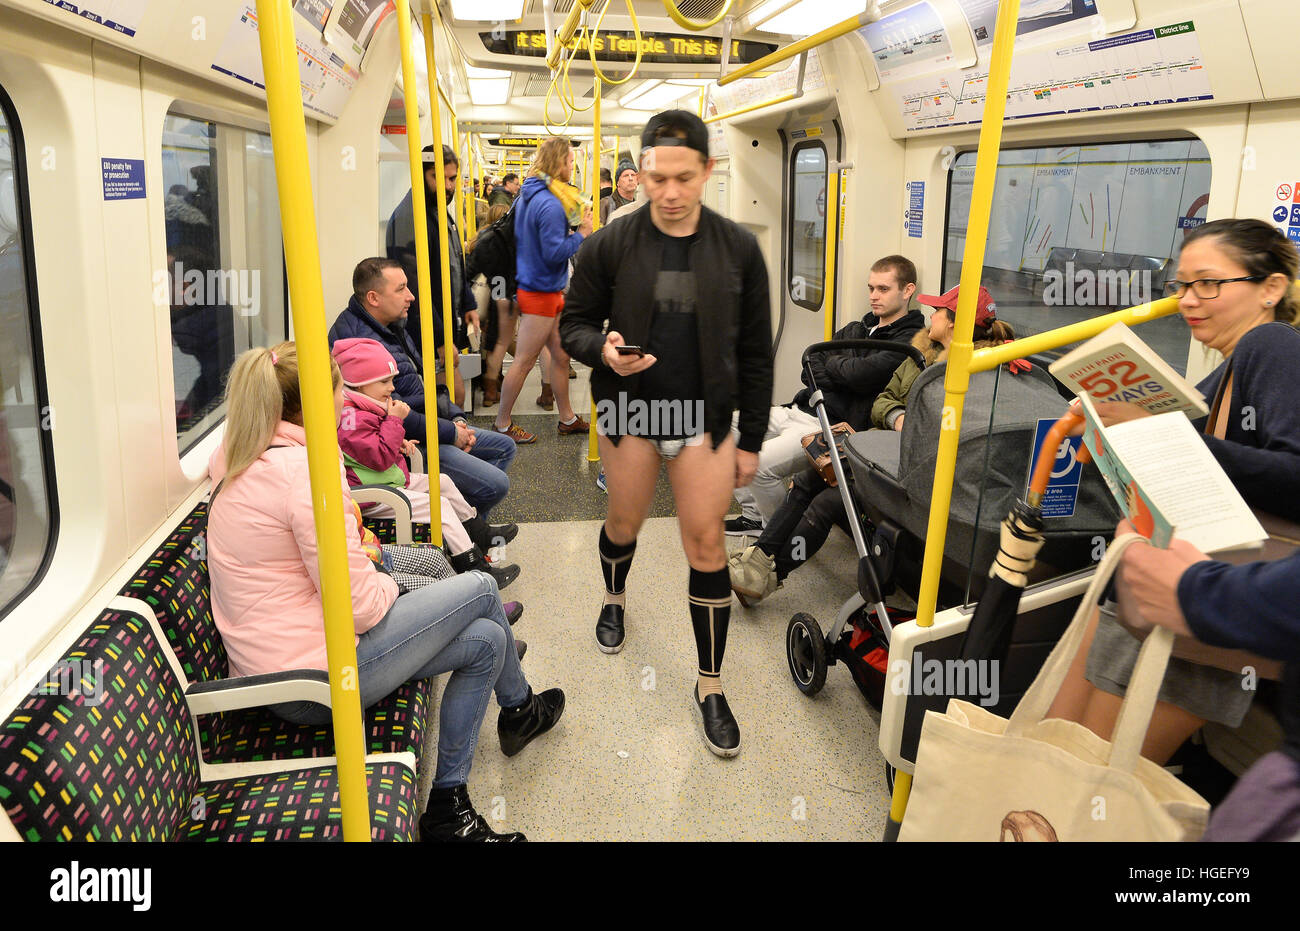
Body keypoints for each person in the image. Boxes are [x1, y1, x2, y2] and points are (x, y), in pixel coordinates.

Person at [206, 342, 565, 842]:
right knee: (481, 587)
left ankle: (449, 805)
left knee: (486, 640)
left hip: (282, 660)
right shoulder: (303, 475)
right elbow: (360, 605)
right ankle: (521, 708)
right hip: (314, 680)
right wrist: (390, 581)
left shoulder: (245, 455)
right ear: (320, 401)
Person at [560, 109, 773, 758]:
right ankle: (614, 596)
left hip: (703, 417)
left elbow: (756, 350)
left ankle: (710, 685)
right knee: (624, 523)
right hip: (629, 411)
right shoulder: (609, 246)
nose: (670, 191)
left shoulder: (737, 248)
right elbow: (573, 325)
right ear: (640, 173)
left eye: (684, 177)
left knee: (706, 542)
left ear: (708, 172)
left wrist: (751, 437)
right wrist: (604, 349)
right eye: (657, 177)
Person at [1048, 217, 1300, 764]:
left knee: (1096, 772)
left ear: (1271, 289)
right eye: (1180, 286)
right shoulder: (1220, 374)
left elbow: (1292, 475)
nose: (1189, 300)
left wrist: (1158, 429)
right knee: (1060, 750)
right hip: (1152, 584)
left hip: (1206, 605)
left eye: (1208, 283)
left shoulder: (1273, 345)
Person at [729, 286, 1018, 604]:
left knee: (826, 503)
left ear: (954, 323)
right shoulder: (921, 352)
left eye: (938, 311)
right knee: (809, 478)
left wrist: (917, 430)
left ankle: (770, 576)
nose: (931, 315)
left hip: (917, 470)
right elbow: (884, 400)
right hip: (882, 447)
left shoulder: (982, 371)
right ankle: (758, 559)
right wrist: (898, 418)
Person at [727, 255, 926, 536]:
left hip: (829, 424)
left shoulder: (909, 341)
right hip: (800, 407)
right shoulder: (858, 328)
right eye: (870, 288)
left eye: (883, 289)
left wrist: (834, 367)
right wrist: (839, 371)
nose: (873, 296)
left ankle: (775, 535)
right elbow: (809, 365)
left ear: (907, 291)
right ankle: (752, 516)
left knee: (759, 466)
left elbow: (861, 377)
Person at [329, 257, 518, 517]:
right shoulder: (361, 345)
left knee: (505, 447)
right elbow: (394, 412)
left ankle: (466, 527)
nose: (411, 296)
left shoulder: (391, 326)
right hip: (408, 440)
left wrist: (456, 418)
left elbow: (420, 388)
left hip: (426, 423)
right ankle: (468, 529)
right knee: (496, 484)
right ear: (373, 298)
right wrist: (451, 432)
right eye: (401, 289)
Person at [331, 337, 520, 588]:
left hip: (388, 479)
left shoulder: (365, 408)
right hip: (372, 495)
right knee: (437, 507)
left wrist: (397, 440)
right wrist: (394, 423)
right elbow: (377, 457)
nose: (391, 388)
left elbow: (369, 449)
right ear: (359, 383)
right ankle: (473, 565)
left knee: (442, 481)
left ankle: (480, 533)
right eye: (384, 381)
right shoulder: (352, 417)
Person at [493, 137, 593, 444]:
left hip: (543, 287)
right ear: (558, 163)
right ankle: (502, 424)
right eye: (570, 161)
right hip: (540, 292)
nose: (572, 166)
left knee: (561, 356)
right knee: (524, 361)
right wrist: (582, 235)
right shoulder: (549, 203)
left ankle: (567, 418)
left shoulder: (529, 193)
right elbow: (553, 252)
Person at [385, 144, 479, 402]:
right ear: (421, 174)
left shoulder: (438, 211)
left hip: (442, 323)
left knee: (454, 396)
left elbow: (453, 262)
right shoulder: (410, 219)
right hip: (424, 332)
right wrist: (437, 339)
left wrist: (468, 302)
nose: (449, 186)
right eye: (439, 178)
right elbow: (412, 288)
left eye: (452, 179)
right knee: (451, 398)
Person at [469, 203, 517, 407]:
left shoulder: (478, 238)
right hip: (500, 292)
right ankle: (492, 385)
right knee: (500, 341)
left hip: (480, 299)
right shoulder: (505, 241)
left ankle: (490, 386)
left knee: (490, 342)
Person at [600, 158, 639, 227]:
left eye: (633, 175)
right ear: (618, 183)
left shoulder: (638, 206)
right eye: (626, 176)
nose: (630, 178)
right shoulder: (606, 204)